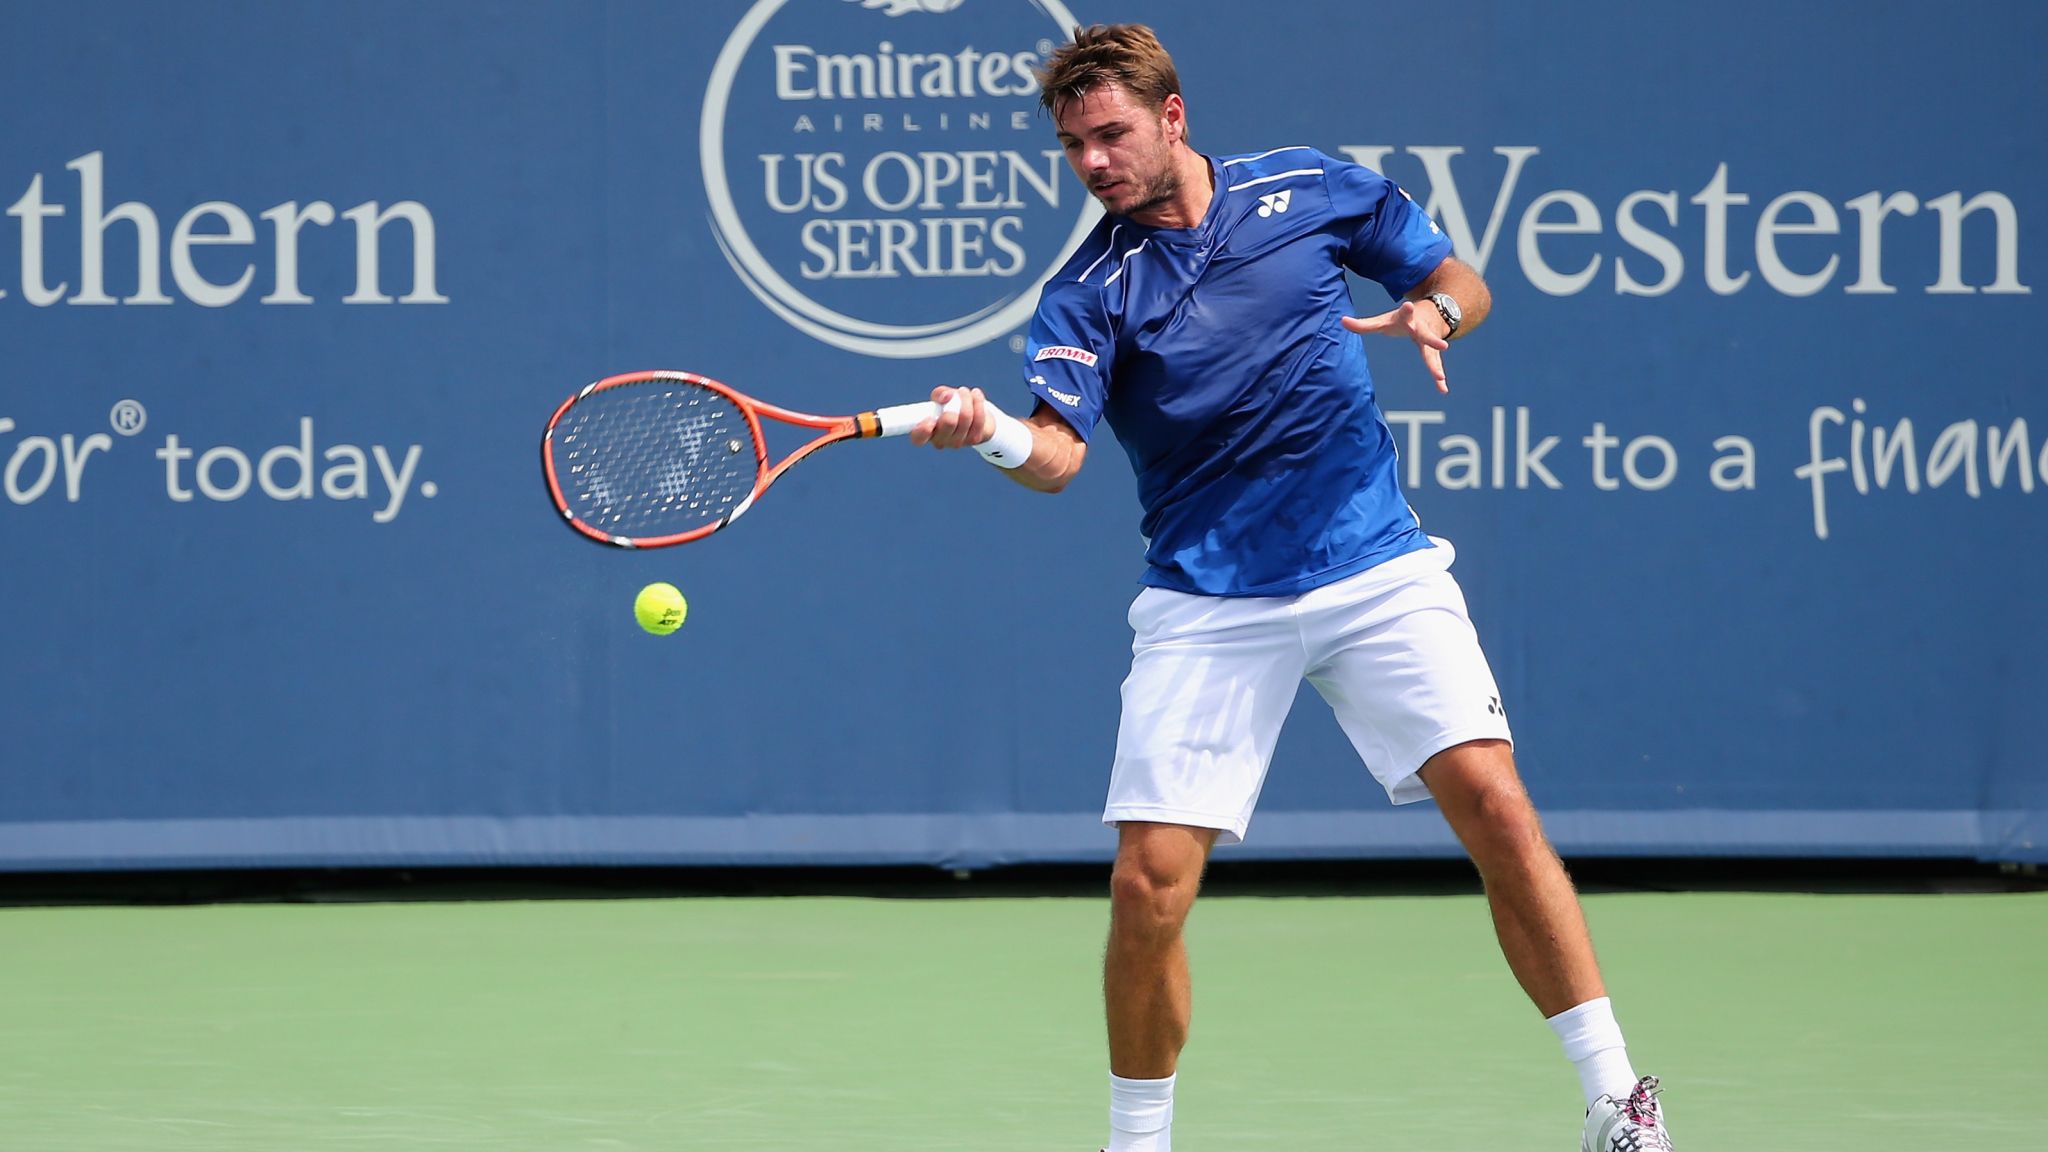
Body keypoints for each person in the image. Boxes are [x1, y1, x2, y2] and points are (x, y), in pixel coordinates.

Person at [910, 23, 1673, 1152]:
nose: (1092, 163)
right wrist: (986, 434)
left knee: (1499, 809)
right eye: (1072, 145)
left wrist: (1435, 312)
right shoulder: (1086, 291)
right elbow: (1057, 457)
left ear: (1172, 117)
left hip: (1372, 565)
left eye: (1110, 134)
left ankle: (1617, 1103)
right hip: (1208, 601)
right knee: (1144, 891)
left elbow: (1458, 279)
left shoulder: (1311, 187)